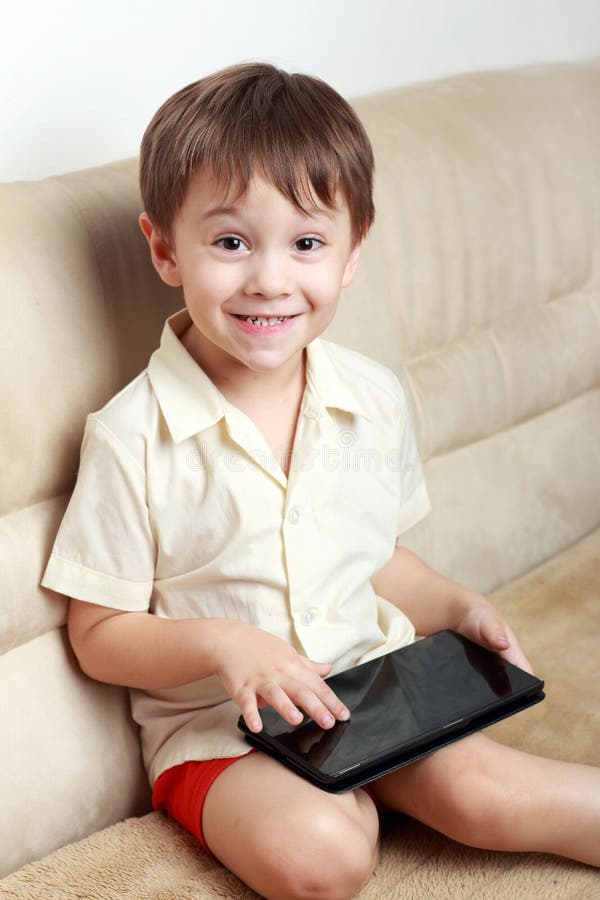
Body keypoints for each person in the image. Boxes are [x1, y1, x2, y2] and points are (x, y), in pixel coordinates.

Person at [42, 63, 600, 900]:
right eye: (231, 243)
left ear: (352, 251)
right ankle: (360, 800)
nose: (269, 279)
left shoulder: (369, 397)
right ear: (164, 248)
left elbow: (378, 559)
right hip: (220, 734)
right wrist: (228, 645)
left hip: (372, 688)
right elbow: (98, 633)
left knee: (498, 796)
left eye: (306, 243)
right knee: (323, 857)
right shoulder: (131, 436)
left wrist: (457, 607)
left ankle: (391, 781)